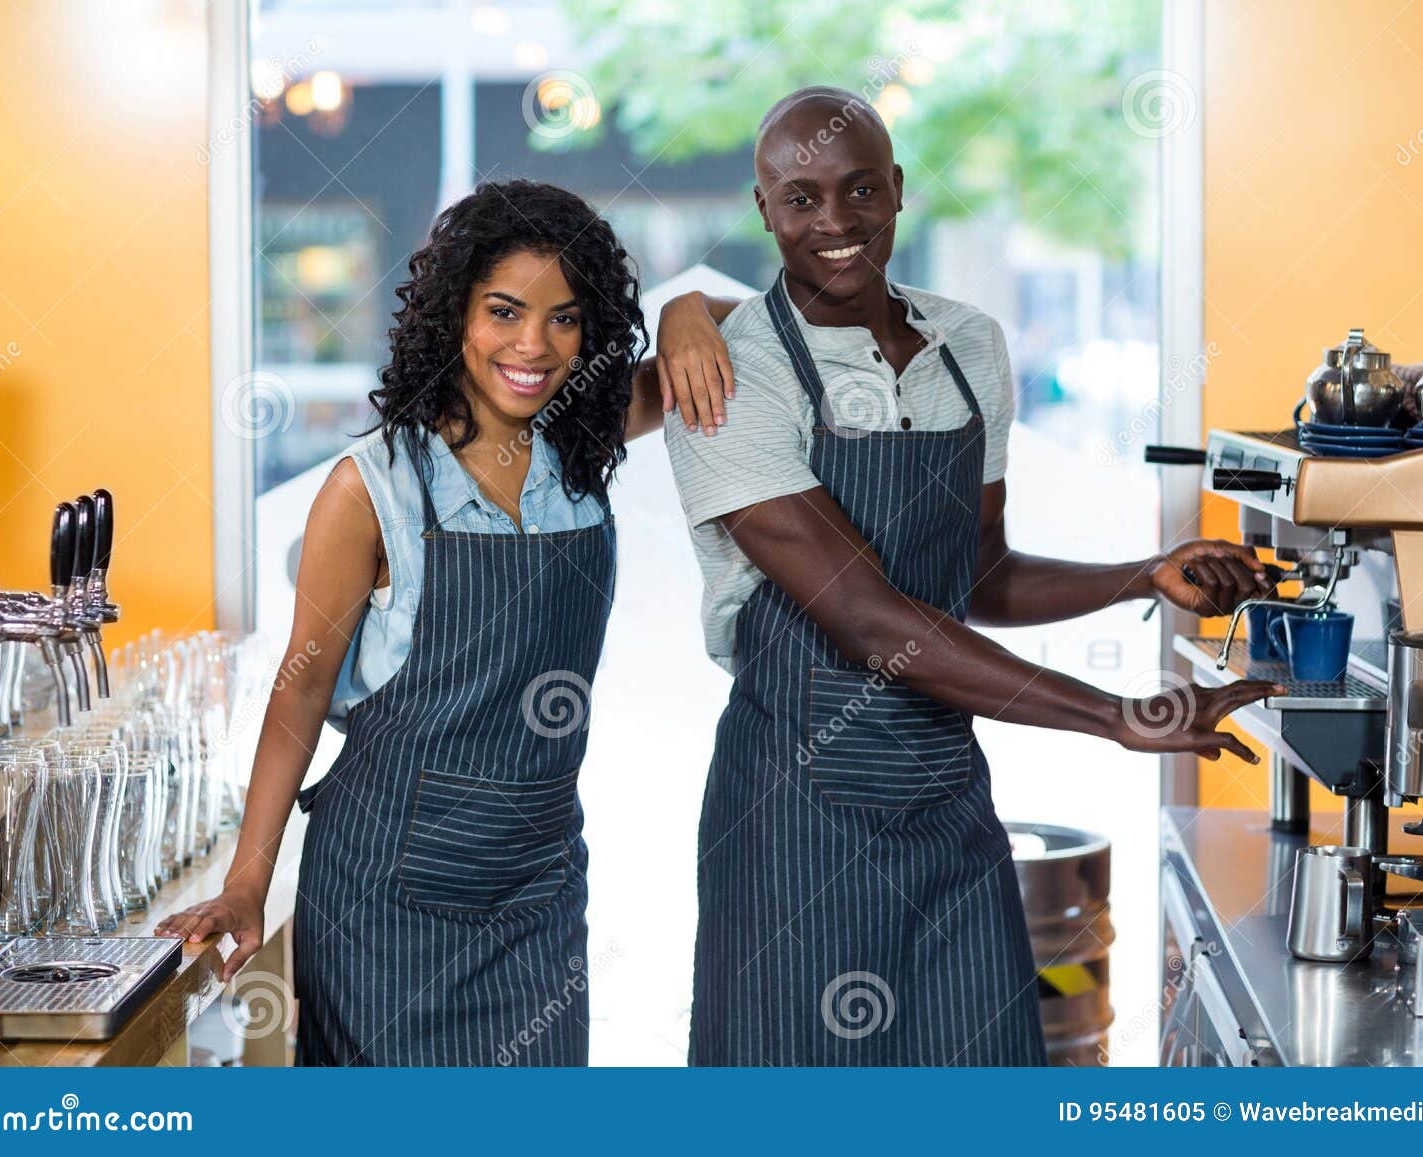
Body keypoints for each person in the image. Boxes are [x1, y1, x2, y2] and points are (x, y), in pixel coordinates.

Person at [657, 87, 1283, 1066]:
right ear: (764, 208)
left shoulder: (968, 345)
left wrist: (1141, 575)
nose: (835, 222)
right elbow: (868, 619)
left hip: (945, 792)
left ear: (898, 191)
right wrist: (1114, 715)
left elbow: (976, 571)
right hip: (794, 821)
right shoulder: (731, 374)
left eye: (859, 190)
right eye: (802, 198)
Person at [156, 179, 725, 1066]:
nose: (533, 346)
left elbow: (754, 324)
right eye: (504, 311)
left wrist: (690, 304)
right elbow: (300, 689)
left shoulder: (583, 440)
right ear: (452, 311)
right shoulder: (371, 487)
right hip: (385, 903)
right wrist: (246, 881)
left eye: (565, 318)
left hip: (537, 890)